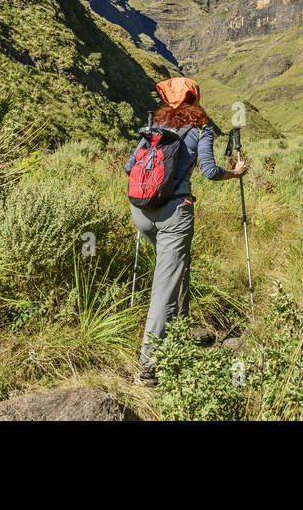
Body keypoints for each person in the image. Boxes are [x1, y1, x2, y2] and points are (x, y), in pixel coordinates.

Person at [127, 76, 247, 385]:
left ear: (168, 101)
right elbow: (208, 170)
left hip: (142, 210)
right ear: (194, 100)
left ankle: (178, 338)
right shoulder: (201, 128)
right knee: (165, 285)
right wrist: (234, 172)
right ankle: (148, 367)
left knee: (178, 271)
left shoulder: (154, 127)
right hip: (174, 214)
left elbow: (130, 167)